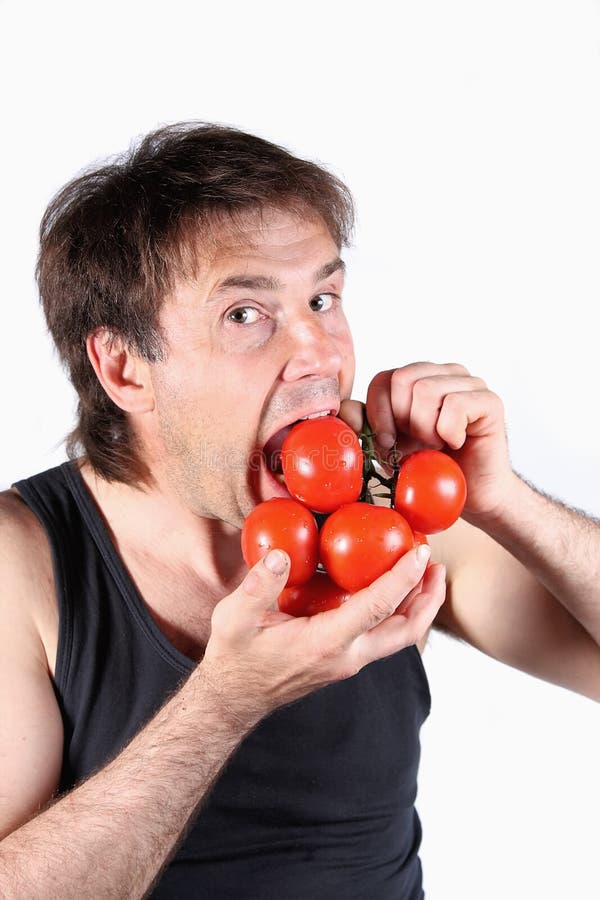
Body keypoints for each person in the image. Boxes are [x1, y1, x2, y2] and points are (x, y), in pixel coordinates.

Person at [0, 121, 598, 900]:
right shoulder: (25, 564)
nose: (320, 352)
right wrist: (223, 704)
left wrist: (503, 501)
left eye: (322, 297)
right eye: (245, 314)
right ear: (124, 367)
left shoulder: (384, 521)